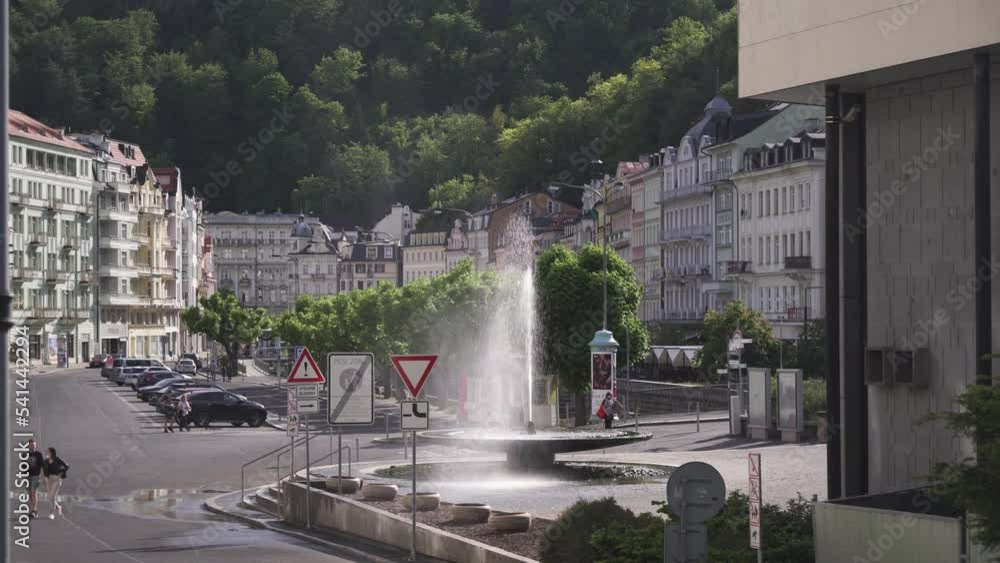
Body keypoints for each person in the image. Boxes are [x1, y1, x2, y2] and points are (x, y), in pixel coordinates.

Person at [42, 447, 68, 519]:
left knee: (52, 496)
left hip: (56, 479)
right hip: (49, 479)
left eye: (48, 452)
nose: (46, 453)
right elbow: (44, 471)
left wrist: (60, 475)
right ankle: (58, 507)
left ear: (51, 452)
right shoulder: (45, 461)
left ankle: (52, 513)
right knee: (50, 497)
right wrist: (44, 478)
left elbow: (66, 466)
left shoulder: (57, 459)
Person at [24, 440, 44, 518]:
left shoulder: (39, 455)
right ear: (28, 446)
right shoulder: (25, 455)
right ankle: (33, 510)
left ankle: (34, 510)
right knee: (30, 494)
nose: (33, 446)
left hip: (36, 476)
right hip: (27, 476)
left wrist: (45, 476)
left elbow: (43, 466)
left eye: (34, 445)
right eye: (32, 445)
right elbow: (23, 466)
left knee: (33, 492)